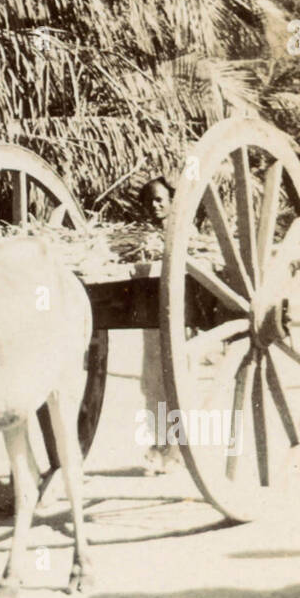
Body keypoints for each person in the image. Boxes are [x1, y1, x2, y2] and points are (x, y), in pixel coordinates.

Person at [137, 175, 177, 474]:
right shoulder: (140, 239)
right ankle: (159, 444)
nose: (155, 205)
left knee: (174, 381)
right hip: (152, 322)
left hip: (175, 321)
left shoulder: (183, 235)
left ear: (172, 201)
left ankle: (174, 450)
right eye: (150, 200)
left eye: (160, 199)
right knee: (152, 381)